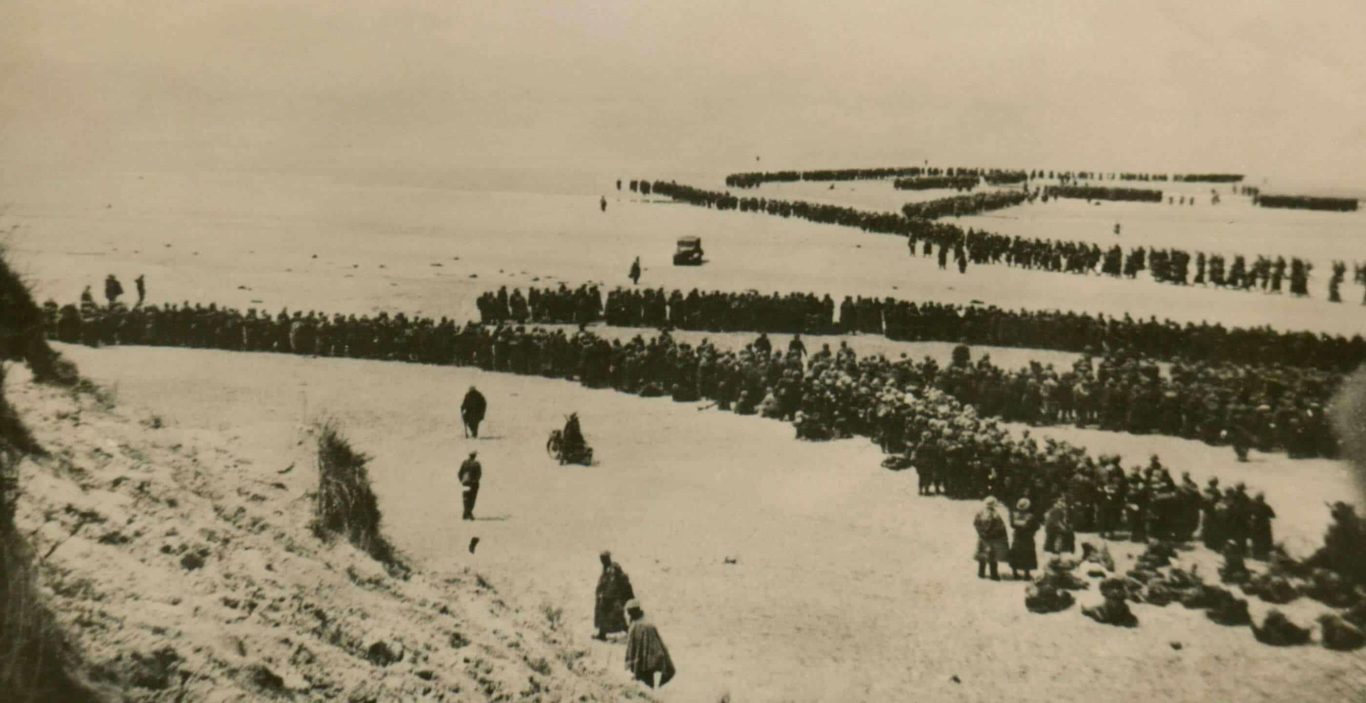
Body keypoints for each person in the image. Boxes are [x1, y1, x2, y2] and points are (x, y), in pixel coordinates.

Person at [624, 600, 676, 689]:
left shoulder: (642, 625)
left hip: (646, 663)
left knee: (645, 683)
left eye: (630, 612)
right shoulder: (642, 623)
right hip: (644, 663)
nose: (629, 615)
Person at [594, 551, 635, 640]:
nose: (602, 561)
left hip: (614, 598)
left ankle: (630, 633)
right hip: (607, 597)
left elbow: (614, 583)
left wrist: (607, 595)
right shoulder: (606, 568)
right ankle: (602, 634)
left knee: (618, 617)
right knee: (603, 615)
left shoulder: (613, 568)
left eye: (603, 559)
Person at [974, 497, 1009, 580]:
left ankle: (981, 573)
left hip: (982, 537)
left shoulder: (980, 512)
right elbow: (1000, 527)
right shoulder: (995, 514)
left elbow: (975, 523)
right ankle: (994, 575)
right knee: (993, 556)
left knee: (982, 554)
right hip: (992, 539)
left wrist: (981, 533)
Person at [1009, 498, 1040, 580]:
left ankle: (1015, 573)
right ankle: (1026, 574)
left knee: (1015, 553)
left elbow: (1012, 525)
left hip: (1017, 536)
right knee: (1028, 554)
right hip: (1027, 538)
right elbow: (1037, 526)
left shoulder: (1014, 515)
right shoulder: (1031, 516)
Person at [1249, 492, 1276, 560]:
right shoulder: (1266, 506)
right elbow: (1273, 515)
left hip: (1256, 524)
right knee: (1265, 540)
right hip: (1264, 525)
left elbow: (1249, 513)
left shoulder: (1253, 505)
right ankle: (1264, 555)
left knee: (1256, 539)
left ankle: (1256, 555)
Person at [458, 451, 482, 520]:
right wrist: (475, 480)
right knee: (472, 499)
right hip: (473, 484)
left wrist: (462, 480)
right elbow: (479, 474)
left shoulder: (464, 463)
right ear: (475, 456)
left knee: (465, 498)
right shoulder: (476, 464)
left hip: (465, 483)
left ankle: (465, 513)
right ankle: (468, 513)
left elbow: (460, 473)